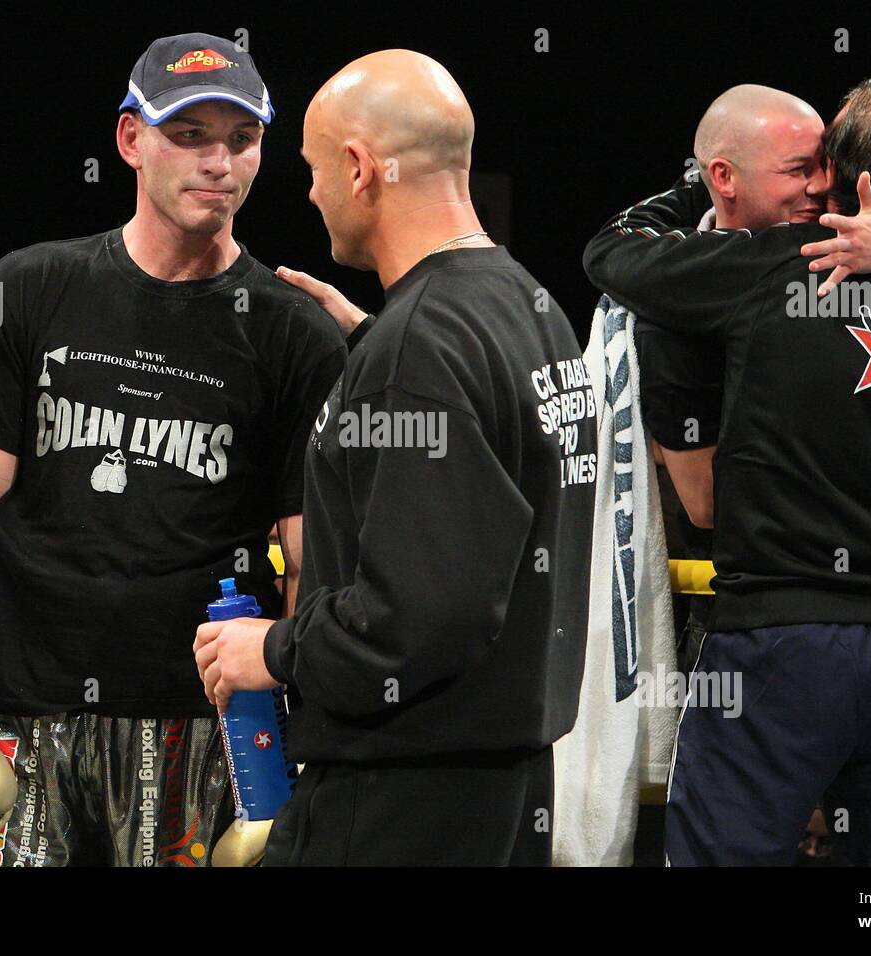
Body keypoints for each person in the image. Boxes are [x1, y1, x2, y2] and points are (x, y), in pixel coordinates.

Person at [0, 32, 345, 867]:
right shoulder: (30, 286)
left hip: (200, 719)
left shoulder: (295, 334)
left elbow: (306, 548)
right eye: (191, 134)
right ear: (132, 140)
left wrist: (298, 741)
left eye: (241, 139)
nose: (219, 162)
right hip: (27, 703)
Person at [583, 70, 871, 865]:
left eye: (824, 158)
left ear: (850, 171)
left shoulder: (762, 269)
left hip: (776, 639)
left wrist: (692, 178)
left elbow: (611, 255)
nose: (816, 178)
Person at [194, 50, 597, 866]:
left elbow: (421, 616)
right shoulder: (529, 307)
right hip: (508, 788)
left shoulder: (421, 349)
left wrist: (271, 650)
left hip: (404, 796)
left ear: (359, 167)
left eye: (312, 169)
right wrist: (380, 347)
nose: (308, 193)